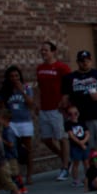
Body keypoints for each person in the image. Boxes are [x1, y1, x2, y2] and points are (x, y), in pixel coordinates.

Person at [35, 40, 72, 178]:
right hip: (44, 107)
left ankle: (65, 166)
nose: (44, 52)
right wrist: (37, 102)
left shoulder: (61, 67)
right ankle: (65, 158)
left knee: (62, 137)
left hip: (57, 108)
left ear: (53, 51)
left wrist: (65, 100)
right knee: (46, 138)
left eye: (46, 50)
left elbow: (69, 86)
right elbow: (39, 87)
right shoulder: (40, 68)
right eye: (42, 50)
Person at [0, 66, 35, 191]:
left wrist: (22, 91)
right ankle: (16, 175)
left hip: (25, 121)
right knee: (12, 149)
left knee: (27, 149)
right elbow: (3, 107)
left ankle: (29, 175)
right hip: (12, 122)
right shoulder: (6, 90)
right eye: (12, 76)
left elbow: (30, 104)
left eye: (16, 76)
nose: (14, 78)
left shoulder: (27, 88)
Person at [64, 105, 90, 185]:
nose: (73, 116)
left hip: (85, 145)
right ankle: (75, 180)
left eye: (75, 113)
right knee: (76, 163)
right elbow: (71, 135)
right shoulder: (68, 124)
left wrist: (84, 141)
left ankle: (88, 177)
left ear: (78, 113)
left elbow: (87, 133)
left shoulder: (82, 122)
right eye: (70, 114)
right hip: (75, 146)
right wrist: (80, 143)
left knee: (86, 162)